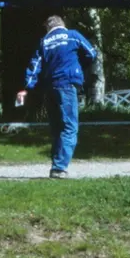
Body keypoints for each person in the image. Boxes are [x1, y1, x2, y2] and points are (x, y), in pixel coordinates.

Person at [15, 15, 98, 179]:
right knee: (69, 126)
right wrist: (79, 65)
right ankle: (59, 168)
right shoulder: (73, 35)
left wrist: (26, 88)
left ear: (48, 27)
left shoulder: (44, 42)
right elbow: (91, 53)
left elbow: (34, 66)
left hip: (49, 87)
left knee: (56, 128)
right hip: (67, 84)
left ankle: (56, 163)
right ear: (62, 25)